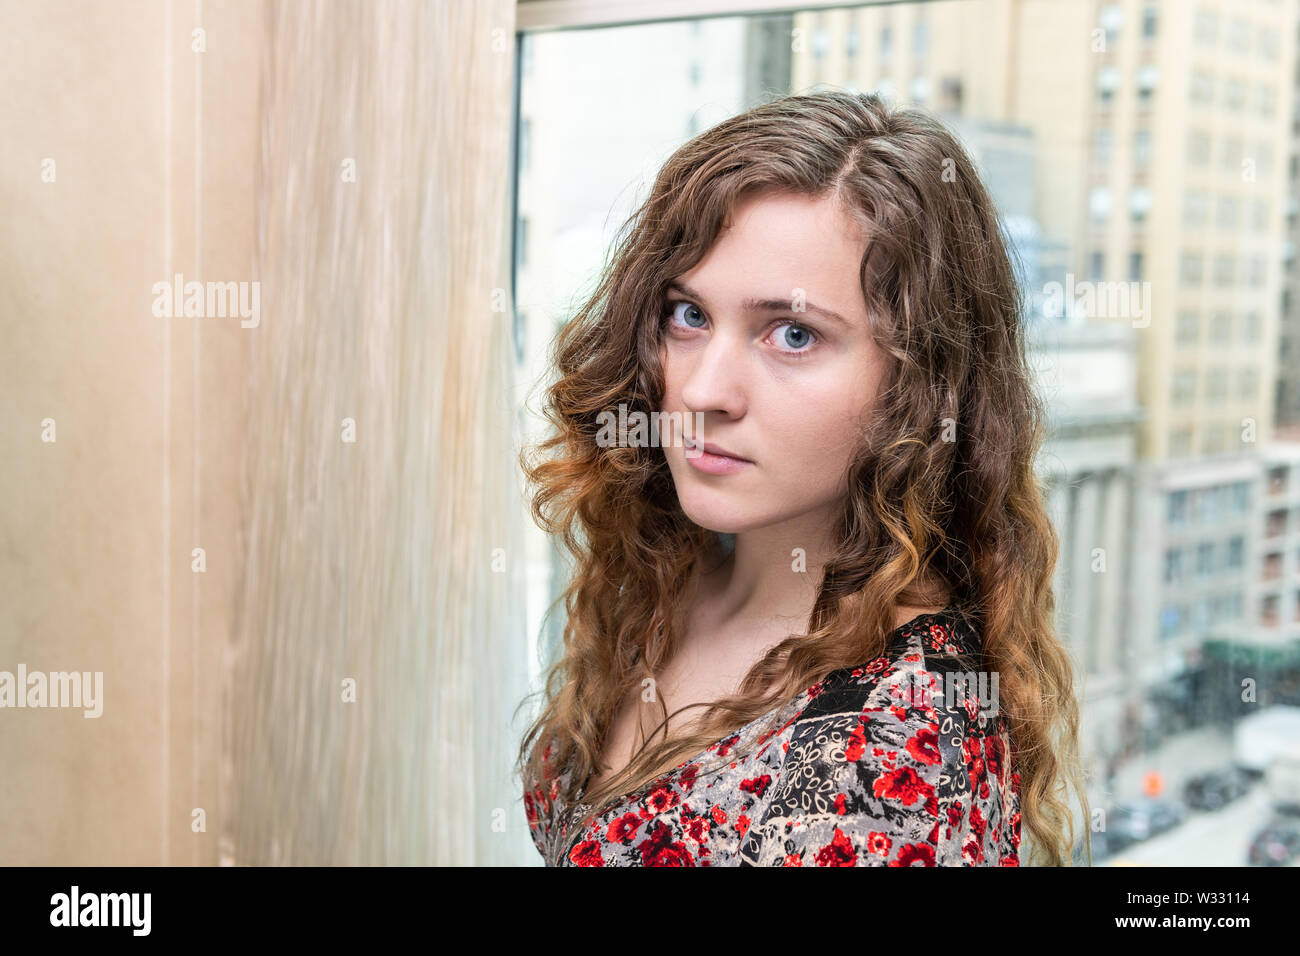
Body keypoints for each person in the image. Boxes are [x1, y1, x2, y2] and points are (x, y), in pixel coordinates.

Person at [515, 89, 1087, 866]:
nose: (704, 390)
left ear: (919, 386)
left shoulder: (896, 753)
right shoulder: (675, 572)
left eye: (791, 334)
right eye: (688, 315)